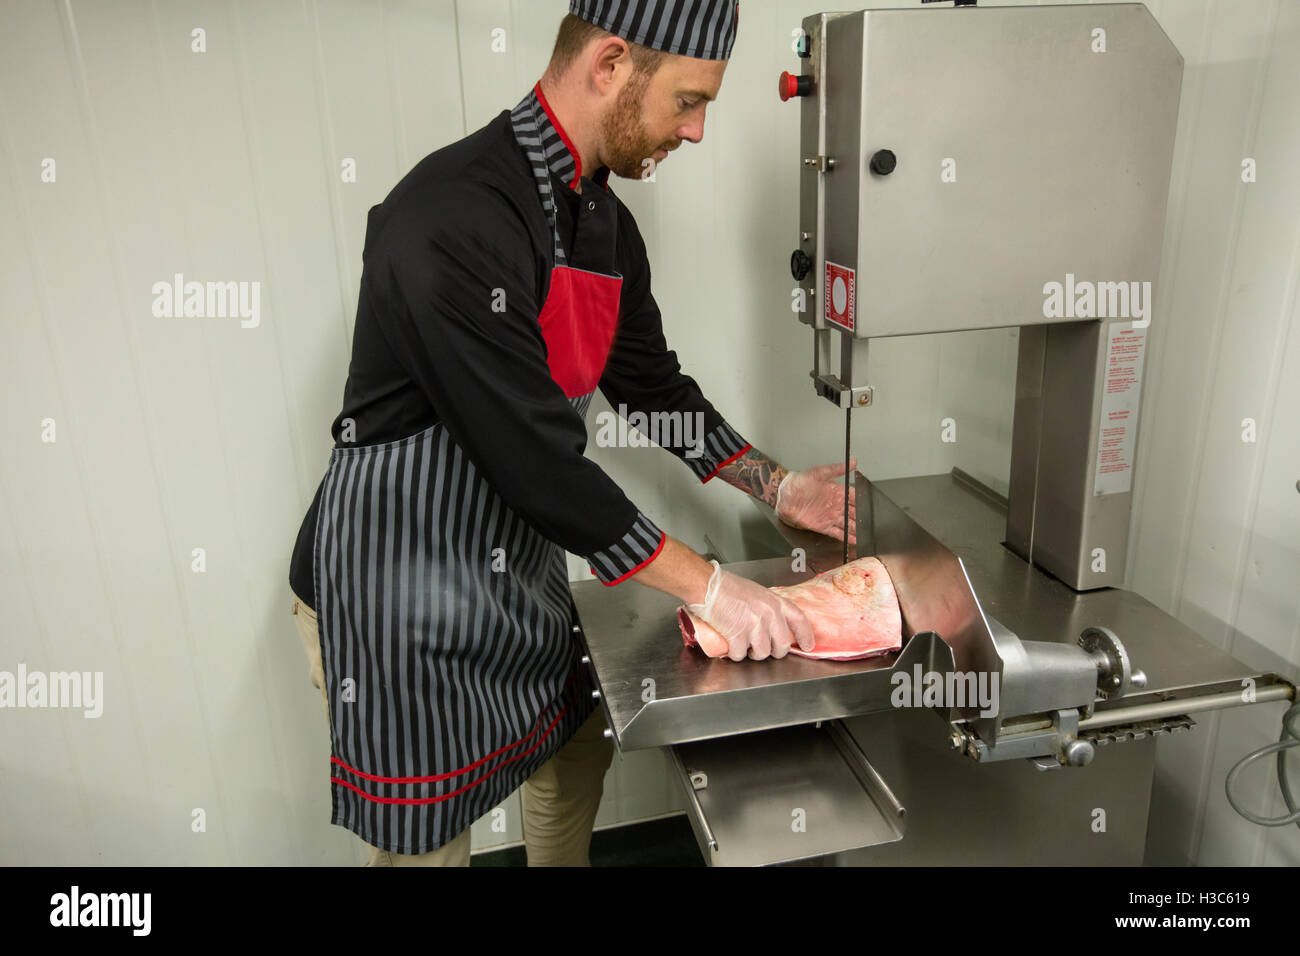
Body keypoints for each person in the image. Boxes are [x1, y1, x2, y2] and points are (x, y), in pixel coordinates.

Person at [287, 0, 856, 867]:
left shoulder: (605, 227)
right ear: (610, 64)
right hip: (397, 587)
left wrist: (778, 487)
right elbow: (537, 464)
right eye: (690, 101)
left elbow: (653, 387)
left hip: (513, 568)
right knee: (429, 842)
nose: (697, 131)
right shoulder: (451, 215)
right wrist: (712, 588)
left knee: (574, 745)